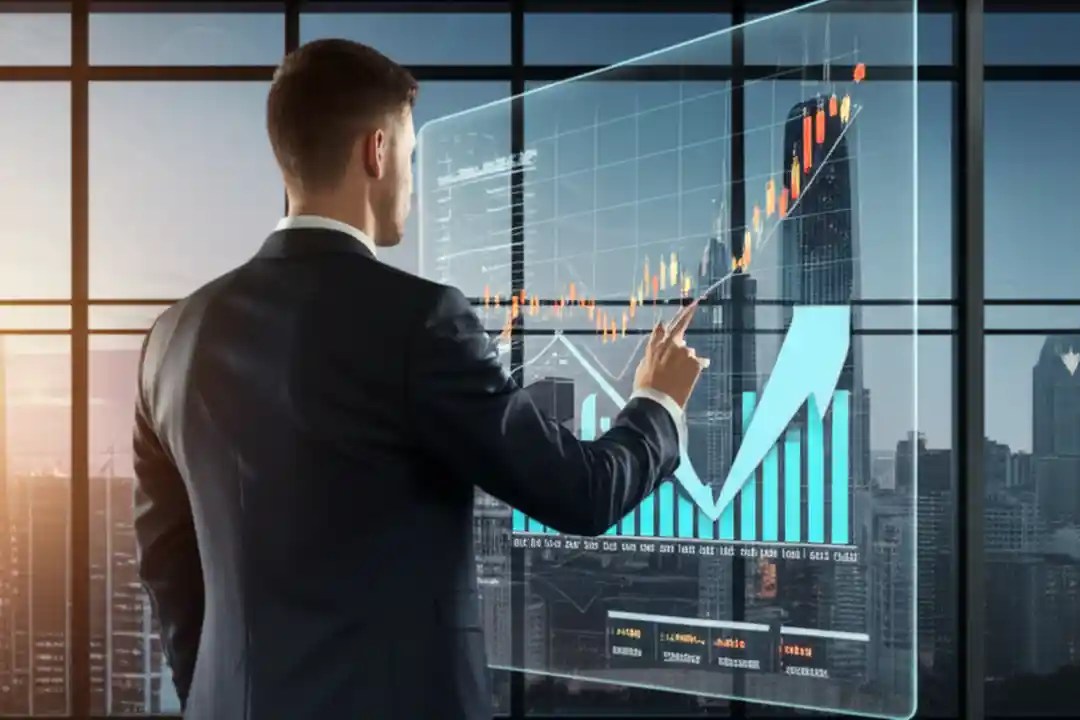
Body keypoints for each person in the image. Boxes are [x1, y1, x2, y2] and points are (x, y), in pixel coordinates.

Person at [132, 38, 706, 720]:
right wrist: (658, 402)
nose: (408, 179)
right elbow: (581, 492)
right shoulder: (420, 321)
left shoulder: (171, 339)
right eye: (408, 156)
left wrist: (221, 694)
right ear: (376, 152)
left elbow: (168, 568)